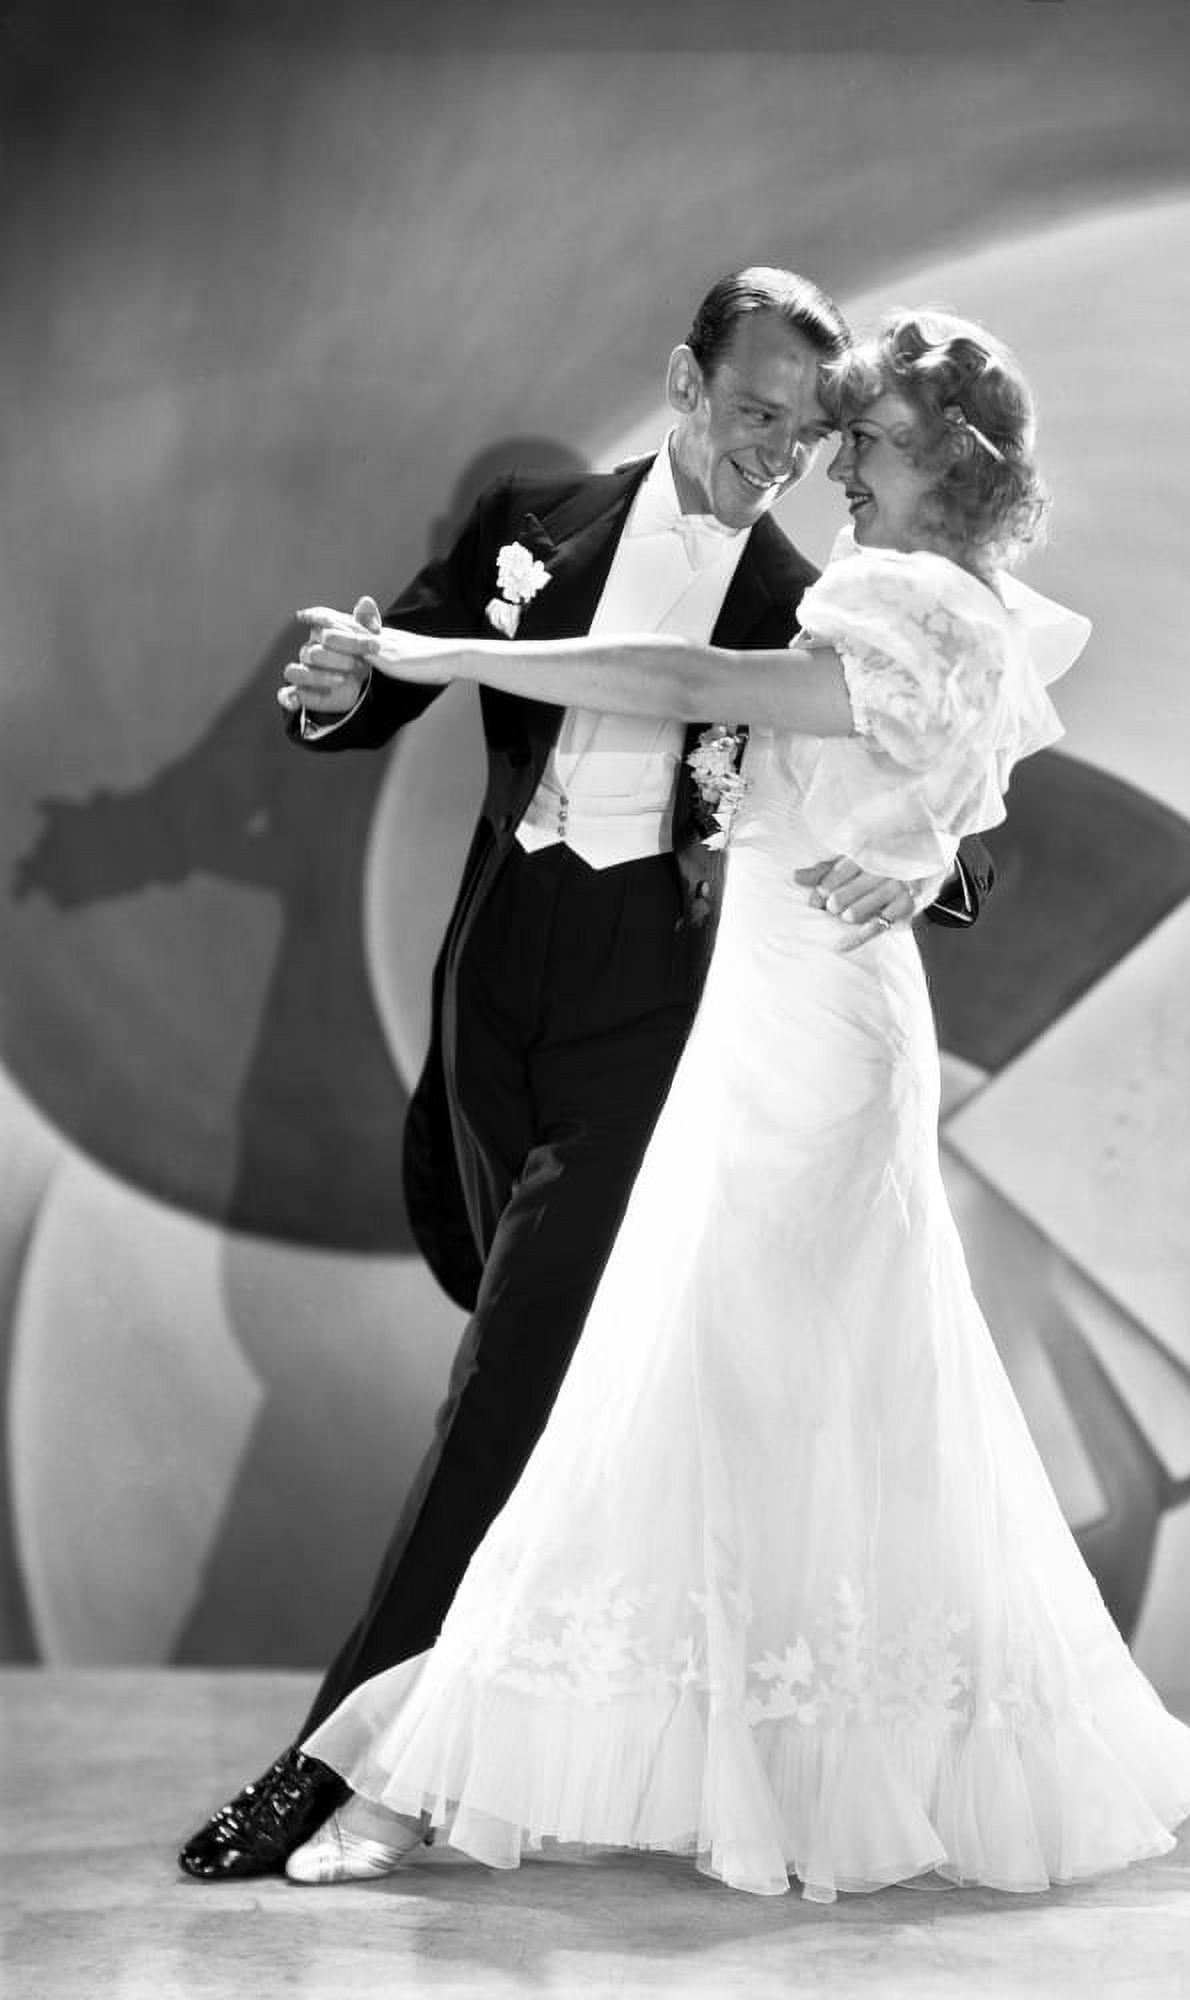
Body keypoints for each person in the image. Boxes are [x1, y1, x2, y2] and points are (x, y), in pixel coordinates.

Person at [283, 309, 1190, 1903]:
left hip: (800, 1038)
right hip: (805, 1023)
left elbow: (682, 678)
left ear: (942, 462)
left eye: (855, 439)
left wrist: (446, 656)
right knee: (781, 1391)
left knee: (653, 1386)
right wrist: (924, 838)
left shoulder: (879, 595)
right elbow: (938, 774)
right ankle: (765, 1751)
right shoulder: (974, 610)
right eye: (813, 429)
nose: (826, 465)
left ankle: (432, 1768)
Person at [178, 269, 994, 1881]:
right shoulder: (528, 523)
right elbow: (393, 664)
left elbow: (939, 778)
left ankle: (332, 1768)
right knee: (536, 1373)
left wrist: (929, 876)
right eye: (750, 414)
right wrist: (342, 693)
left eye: (801, 434)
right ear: (682, 386)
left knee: (504, 1390)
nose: (771, 459)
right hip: (495, 996)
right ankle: (569, 1732)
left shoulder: (806, 598)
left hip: (661, 1026)